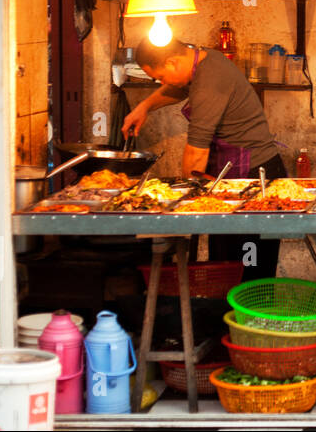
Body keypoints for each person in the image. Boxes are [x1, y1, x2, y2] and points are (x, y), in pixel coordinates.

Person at [122, 37, 286, 280]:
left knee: (249, 271)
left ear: (173, 62)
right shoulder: (201, 59)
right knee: (225, 266)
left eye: (160, 77)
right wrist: (144, 107)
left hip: (253, 179)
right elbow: (177, 87)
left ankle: (249, 317)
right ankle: (225, 315)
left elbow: (195, 152)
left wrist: (186, 204)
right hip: (227, 178)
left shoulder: (210, 82)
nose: (160, 83)